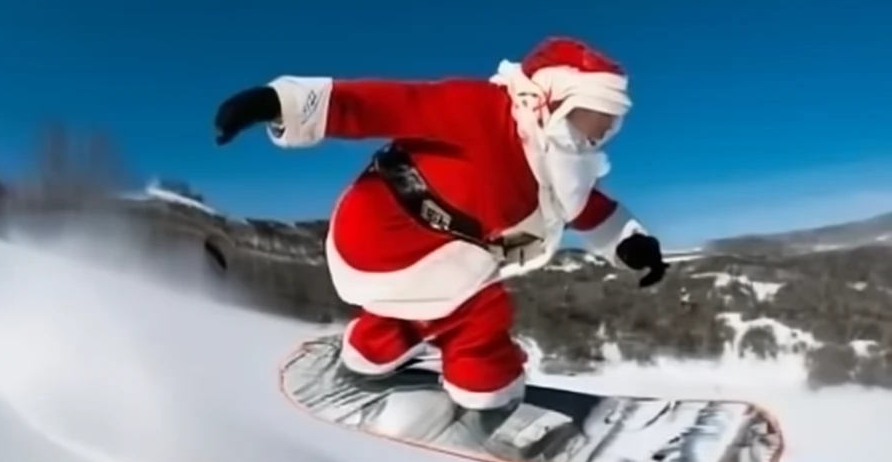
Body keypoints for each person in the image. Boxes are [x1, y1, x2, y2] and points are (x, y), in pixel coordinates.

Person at [213, 35, 667, 427]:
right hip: (388, 236)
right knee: (478, 310)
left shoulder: (556, 157)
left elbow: (580, 203)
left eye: (608, 127)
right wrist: (279, 105)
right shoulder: (478, 109)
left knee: (423, 306)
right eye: (591, 119)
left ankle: (369, 354)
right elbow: (382, 104)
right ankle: (489, 399)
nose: (596, 137)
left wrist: (628, 241)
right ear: (547, 97)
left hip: (426, 248)